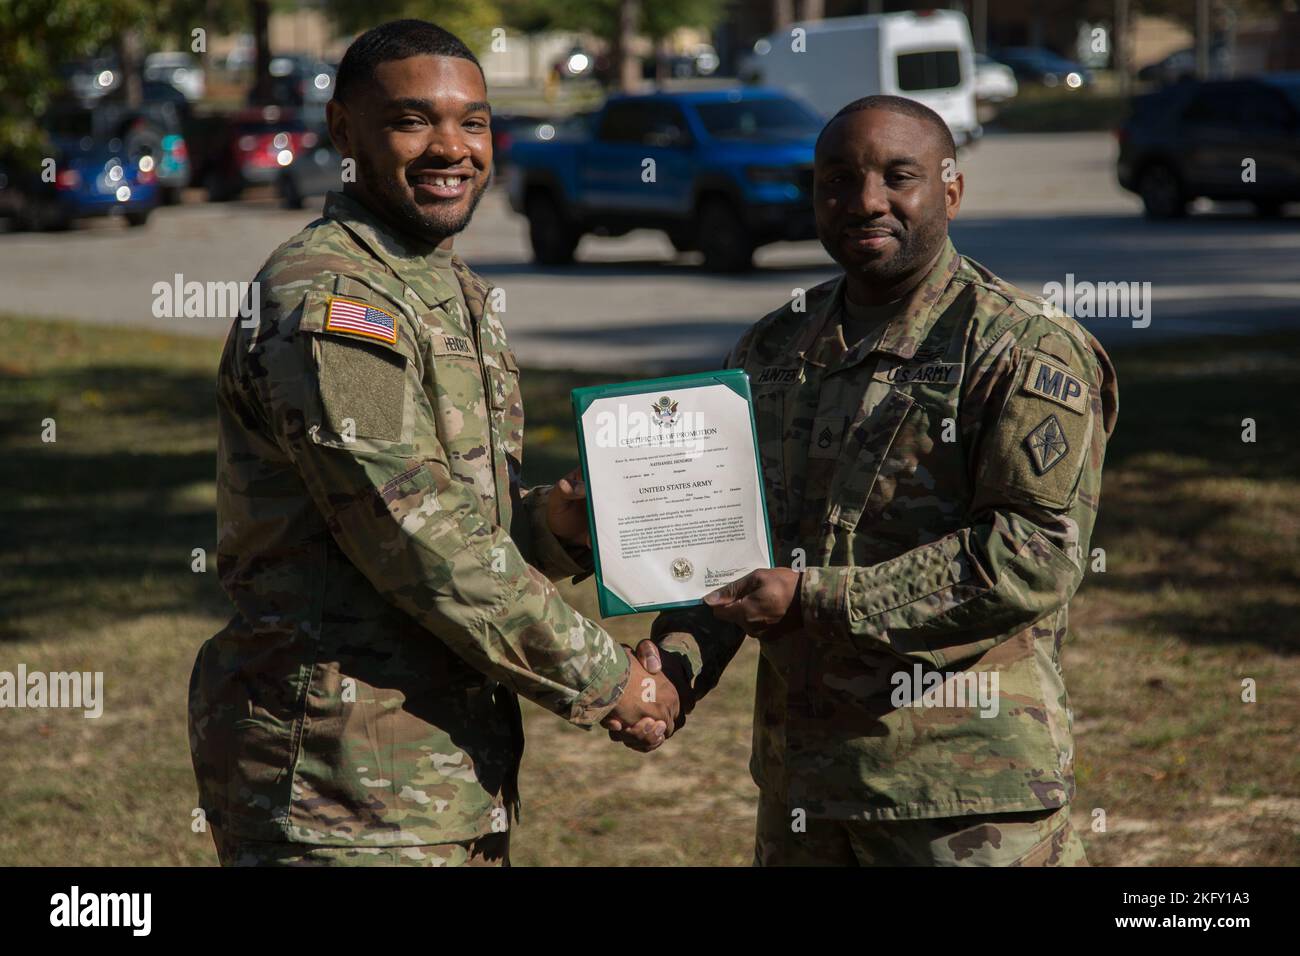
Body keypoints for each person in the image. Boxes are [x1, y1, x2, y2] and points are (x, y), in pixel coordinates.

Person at [188, 19, 678, 868]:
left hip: (430, 777)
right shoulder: (333, 304)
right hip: (340, 794)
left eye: (474, 121)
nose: (451, 147)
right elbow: (416, 538)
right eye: (413, 120)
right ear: (343, 131)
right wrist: (612, 682)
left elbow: (433, 522)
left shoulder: (440, 284)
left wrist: (551, 529)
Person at [610, 95, 1119, 866]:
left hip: (962, 798)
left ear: (950, 190)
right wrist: (679, 665)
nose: (866, 201)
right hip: (804, 793)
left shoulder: (1021, 347)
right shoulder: (772, 348)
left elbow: (1032, 553)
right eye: (838, 180)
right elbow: (725, 541)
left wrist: (816, 600)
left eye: (898, 176)